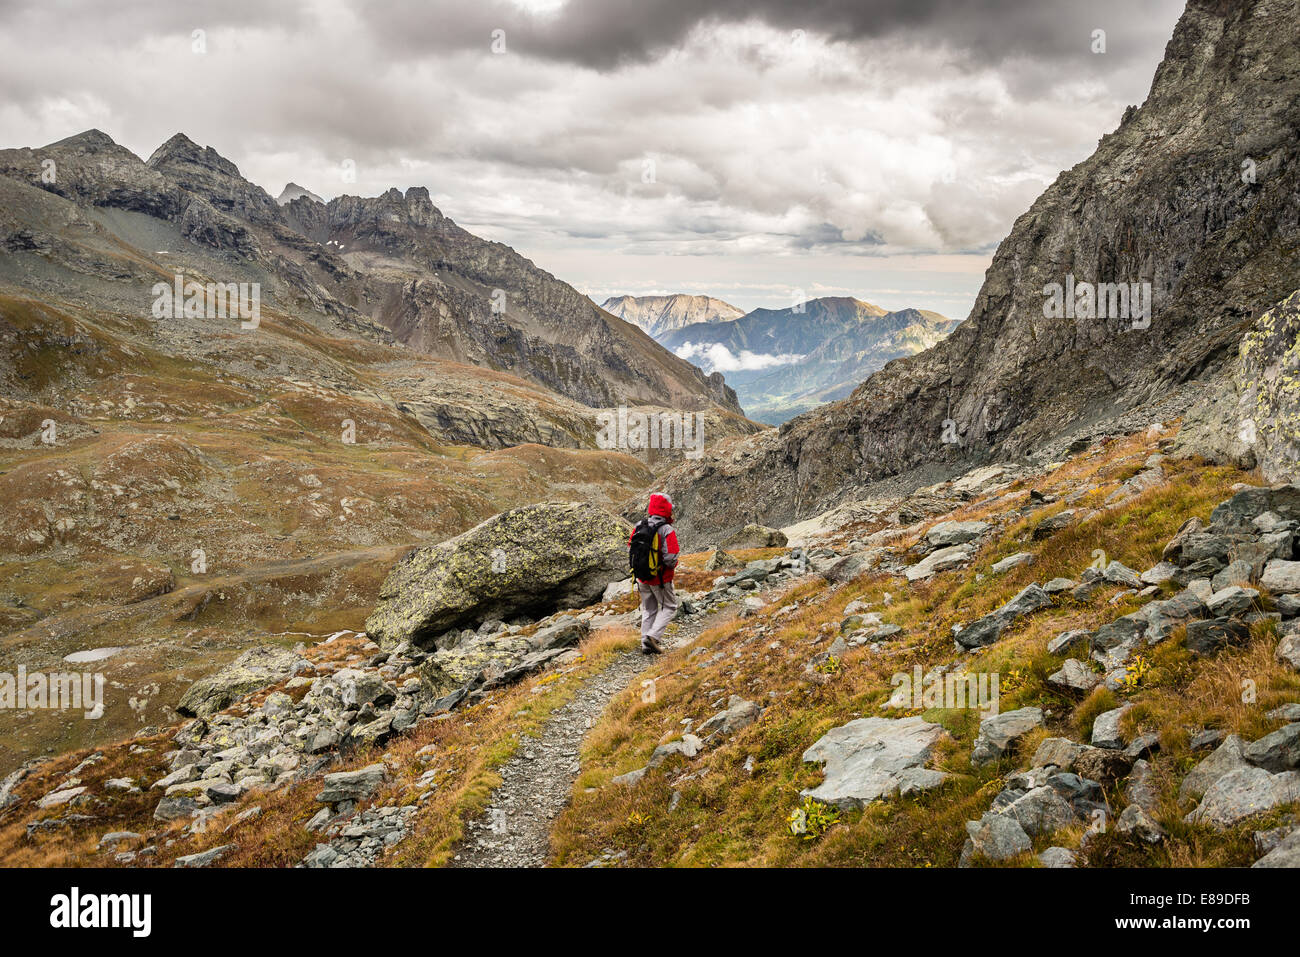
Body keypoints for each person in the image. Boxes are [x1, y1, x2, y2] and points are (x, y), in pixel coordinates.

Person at [629, 492, 679, 654]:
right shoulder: (666, 530)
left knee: (649, 609)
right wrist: (672, 566)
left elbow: (631, 548)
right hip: (660, 579)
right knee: (670, 607)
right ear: (667, 509)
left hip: (641, 577)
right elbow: (671, 558)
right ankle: (653, 637)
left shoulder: (639, 525)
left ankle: (645, 644)